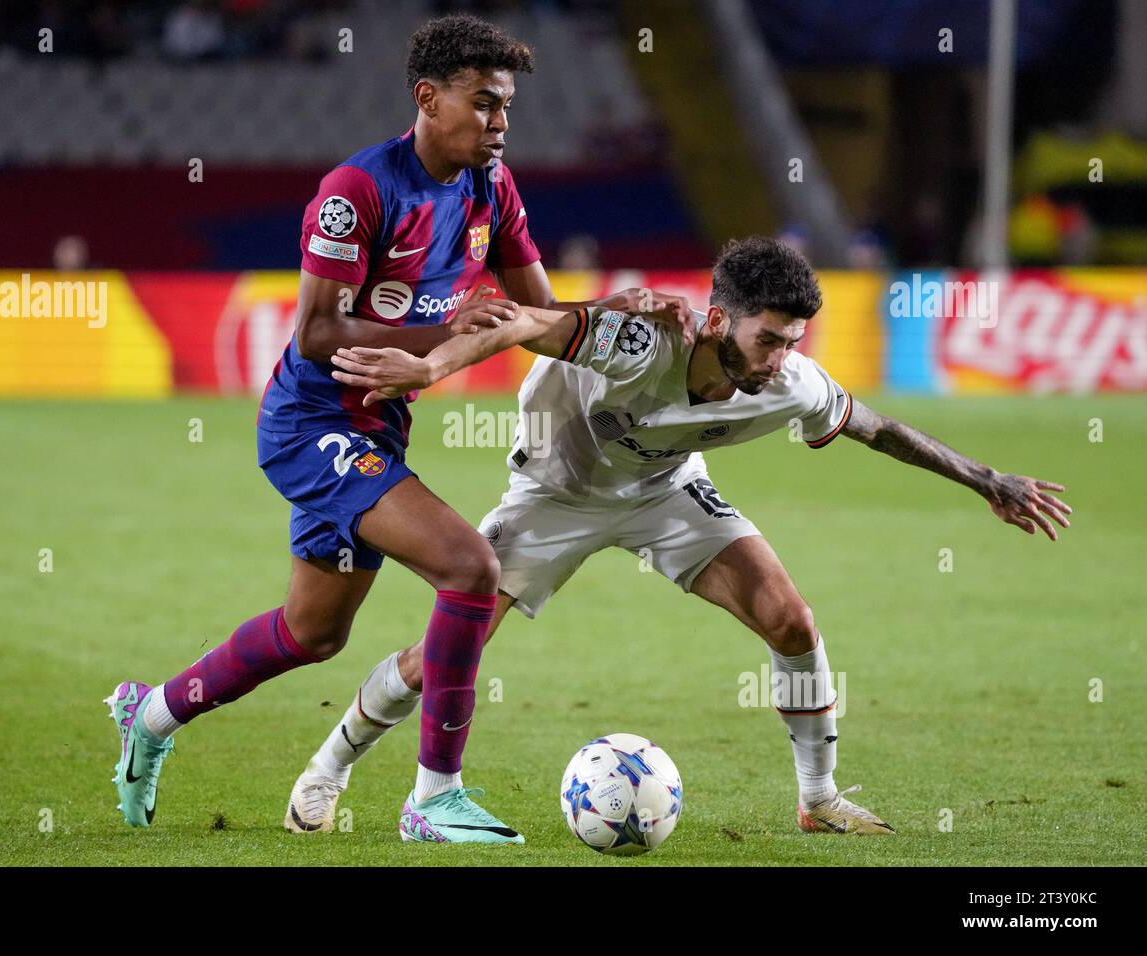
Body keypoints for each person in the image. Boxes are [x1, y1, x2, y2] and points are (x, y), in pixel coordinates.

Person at [105, 13, 692, 846]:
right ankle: (434, 797)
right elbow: (314, 332)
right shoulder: (360, 191)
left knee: (313, 633)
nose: (500, 123)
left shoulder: (493, 189)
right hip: (313, 421)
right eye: (484, 103)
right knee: (470, 566)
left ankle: (151, 715)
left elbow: (532, 313)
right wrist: (441, 339)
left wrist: (610, 309)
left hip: (378, 429)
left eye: (508, 107)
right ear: (429, 98)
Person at [289, 236, 1073, 841]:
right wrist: (432, 369)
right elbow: (527, 321)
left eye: (795, 340)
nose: (782, 359)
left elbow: (880, 429)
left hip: (664, 492)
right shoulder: (641, 340)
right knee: (443, 658)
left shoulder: (789, 381)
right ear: (719, 318)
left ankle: (819, 799)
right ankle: (326, 772)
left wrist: (987, 480)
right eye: (769, 338)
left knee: (791, 620)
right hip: (555, 497)